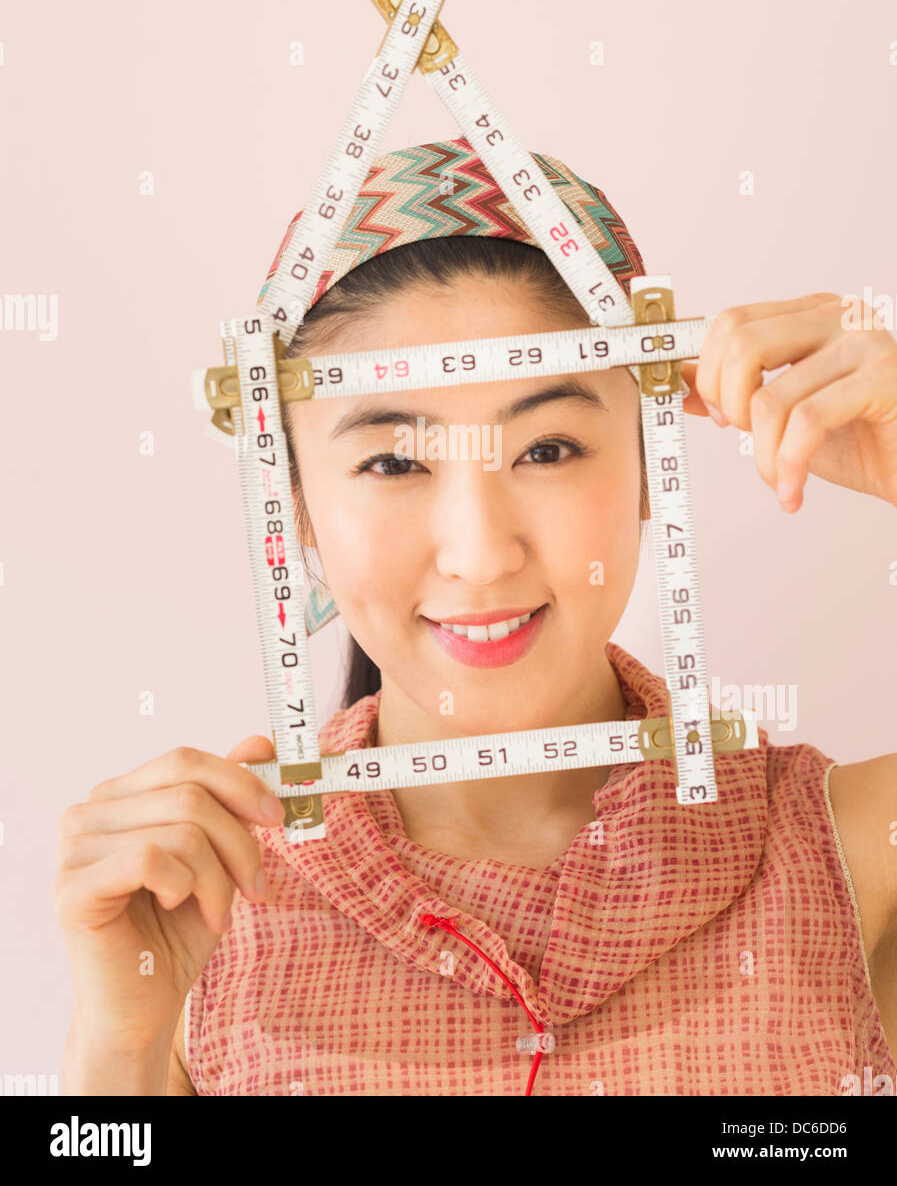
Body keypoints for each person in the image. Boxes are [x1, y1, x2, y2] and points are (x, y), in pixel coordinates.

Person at [56, 138, 897, 1096]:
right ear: (295, 509)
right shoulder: (196, 917)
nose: (480, 552)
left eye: (545, 448)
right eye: (392, 462)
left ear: (649, 461)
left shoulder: (853, 857)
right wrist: (116, 1056)